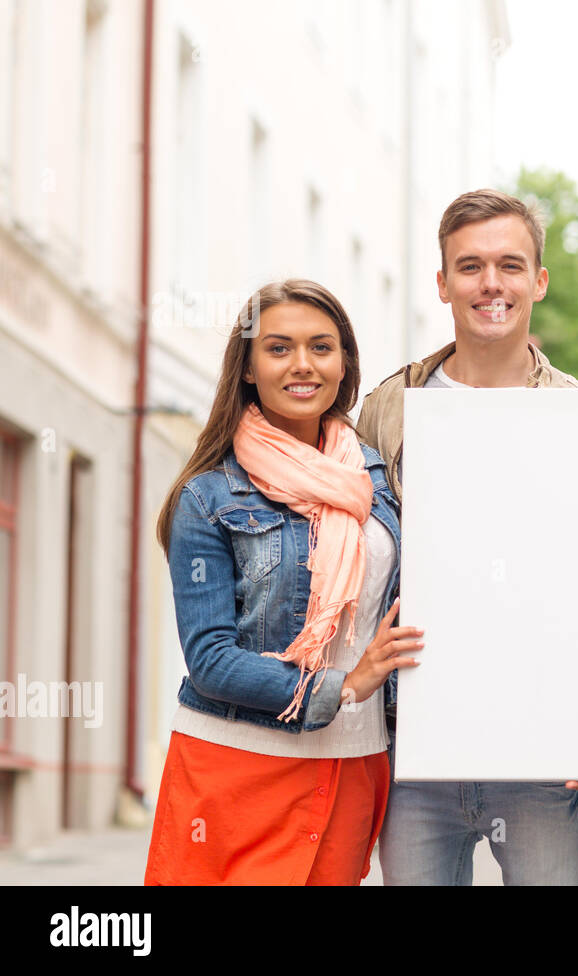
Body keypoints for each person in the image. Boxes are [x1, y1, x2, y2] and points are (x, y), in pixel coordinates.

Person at [356, 188, 578, 886]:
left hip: (542, 749)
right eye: (470, 266)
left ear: (539, 282)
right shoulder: (389, 408)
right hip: (413, 743)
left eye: (510, 265)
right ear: (442, 283)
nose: (491, 283)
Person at [145, 279, 422, 885]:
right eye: (278, 348)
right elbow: (211, 660)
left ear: (344, 362)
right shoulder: (208, 496)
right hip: (237, 766)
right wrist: (346, 683)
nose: (303, 365)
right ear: (247, 367)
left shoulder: (374, 476)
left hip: (353, 764)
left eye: (321, 347)